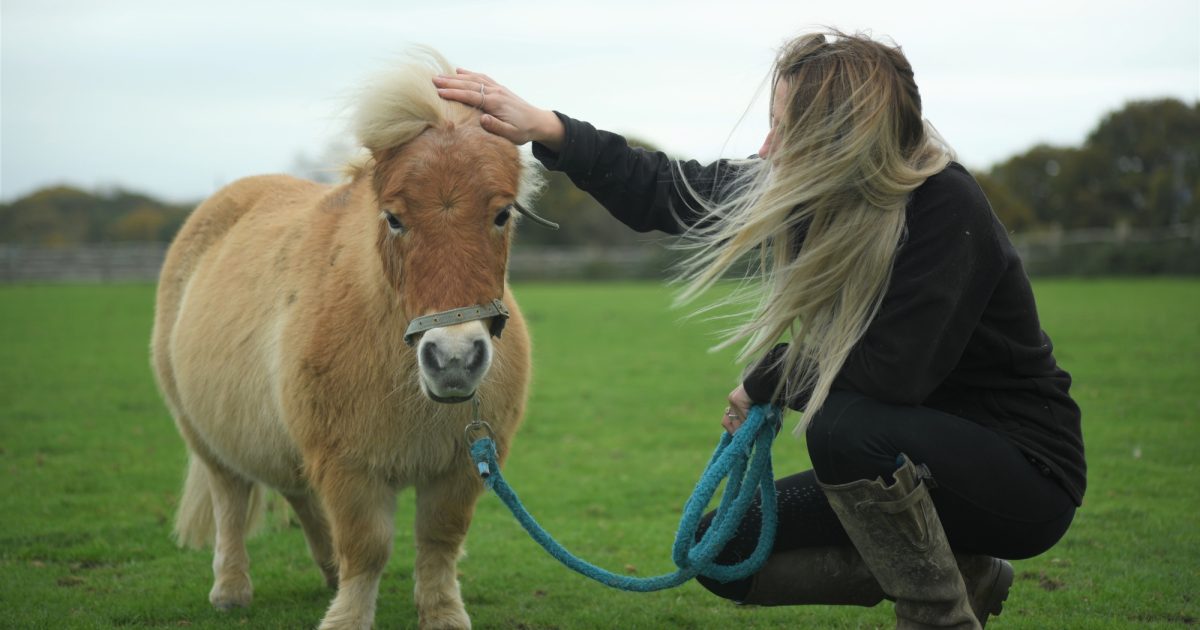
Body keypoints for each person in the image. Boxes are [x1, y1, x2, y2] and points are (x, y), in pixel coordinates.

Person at [434, 29, 1084, 629]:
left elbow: (892, 371)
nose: (767, 147)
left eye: (783, 128)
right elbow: (667, 190)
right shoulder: (808, 191)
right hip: (909, 469)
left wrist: (765, 379)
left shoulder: (946, 208)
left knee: (842, 427)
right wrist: (548, 129)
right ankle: (964, 571)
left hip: (1021, 475)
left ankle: (938, 615)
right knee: (729, 549)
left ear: (841, 137)